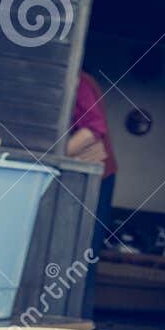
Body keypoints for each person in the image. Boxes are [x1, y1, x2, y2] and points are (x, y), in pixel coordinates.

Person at [66, 69, 118, 313]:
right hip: (74, 180)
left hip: (96, 180)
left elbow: (95, 128)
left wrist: (53, 154)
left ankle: (79, 316)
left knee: (84, 250)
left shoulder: (80, 81)